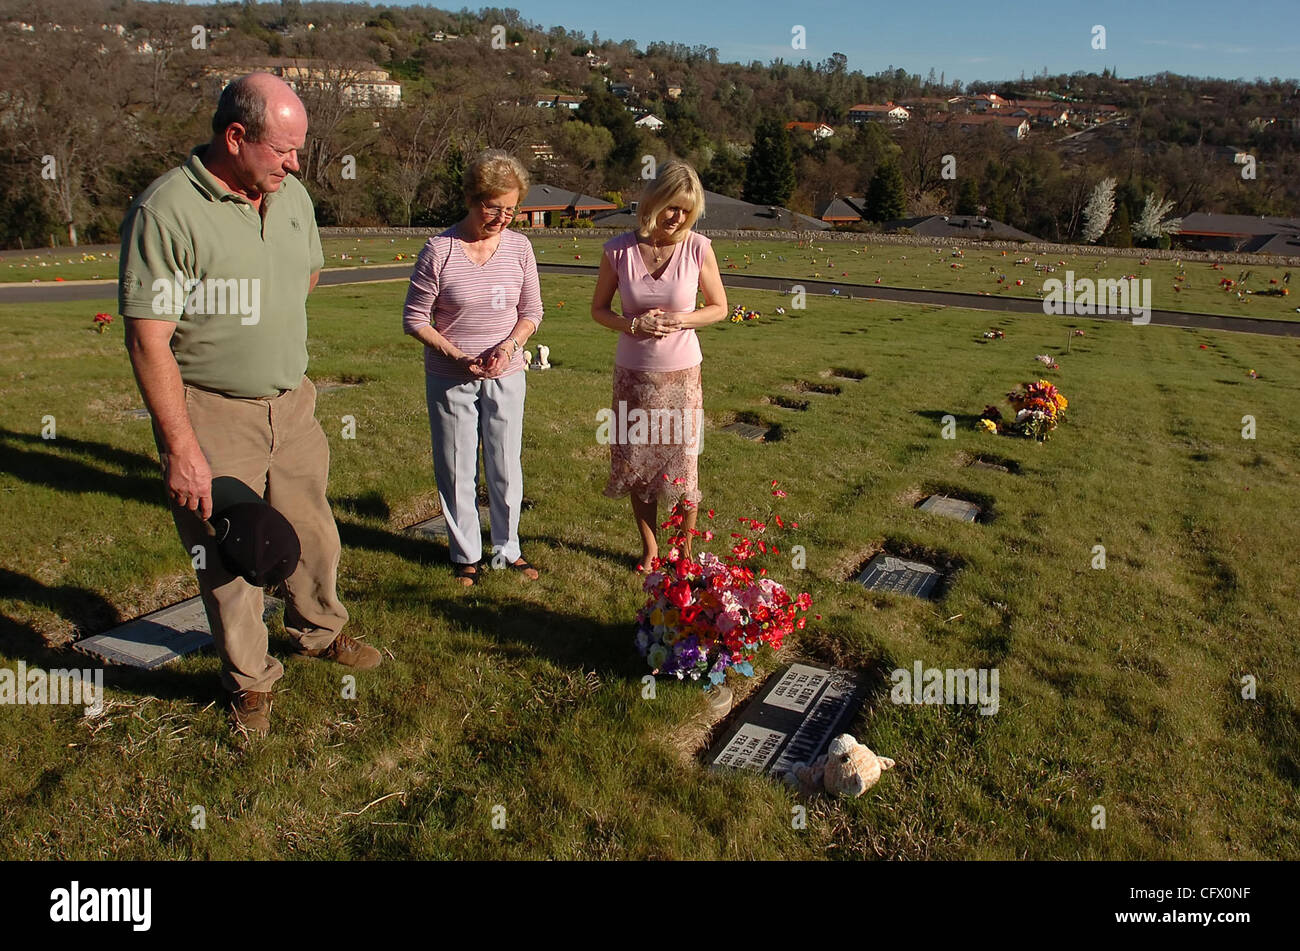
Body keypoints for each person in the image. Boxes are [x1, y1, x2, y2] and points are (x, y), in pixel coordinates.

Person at [119, 73, 380, 737]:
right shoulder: (166, 211)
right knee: (231, 556)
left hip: (292, 404)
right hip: (211, 412)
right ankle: (249, 681)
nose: (295, 164)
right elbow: (148, 340)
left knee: (314, 535)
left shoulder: (289, 197)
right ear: (235, 137)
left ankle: (319, 631)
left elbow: (307, 273)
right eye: (283, 150)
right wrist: (182, 447)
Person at [402, 150, 543, 587]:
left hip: (507, 373)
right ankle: (466, 555)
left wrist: (509, 346)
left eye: (511, 208)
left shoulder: (519, 246)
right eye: (493, 207)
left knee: (505, 463)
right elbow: (415, 318)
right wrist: (458, 356)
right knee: (458, 466)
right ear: (471, 199)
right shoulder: (440, 250)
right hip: (451, 377)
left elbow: (532, 310)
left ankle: (507, 550)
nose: (503, 217)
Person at [591, 161, 728, 571]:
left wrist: (681, 319)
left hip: (682, 375)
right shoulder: (617, 250)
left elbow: (720, 308)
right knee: (638, 462)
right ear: (653, 201)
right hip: (632, 375)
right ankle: (650, 549)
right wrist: (633, 323)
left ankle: (684, 552)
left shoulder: (698, 248)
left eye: (687, 211)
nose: (678, 218)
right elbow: (598, 310)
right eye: (672, 207)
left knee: (684, 463)